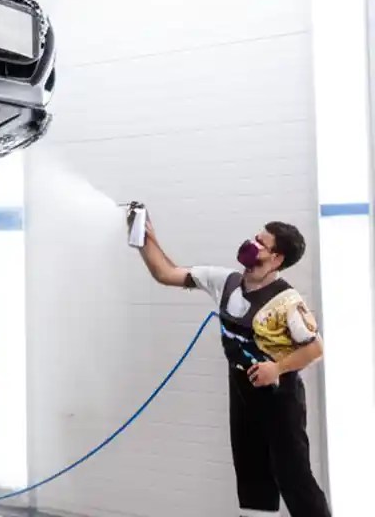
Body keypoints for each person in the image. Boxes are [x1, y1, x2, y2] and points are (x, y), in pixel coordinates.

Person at [130, 212, 329, 517]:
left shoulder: (287, 302)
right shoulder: (225, 282)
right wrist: (145, 238)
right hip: (242, 393)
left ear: (276, 259)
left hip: (280, 399)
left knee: (294, 478)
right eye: (255, 236)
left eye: (260, 243)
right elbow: (165, 273)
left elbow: (315, 348)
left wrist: (276, 369)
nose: (251, 243)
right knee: (251, 478)